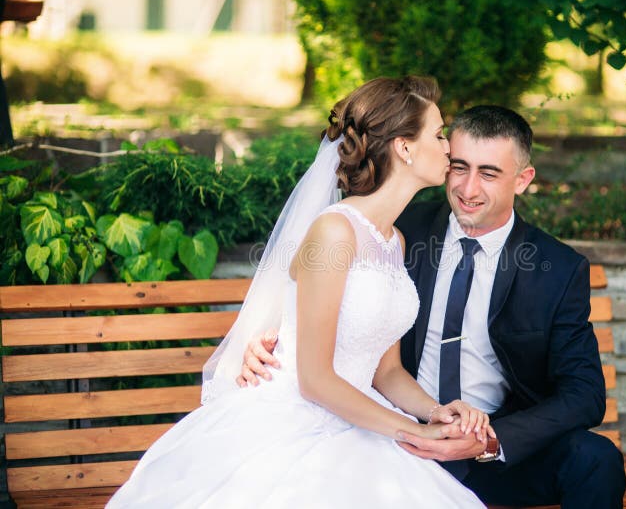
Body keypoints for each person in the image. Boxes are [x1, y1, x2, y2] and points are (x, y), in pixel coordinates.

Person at [107, 77, 489, 508]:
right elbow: (315, 379)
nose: (448, 148)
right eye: (438, 135)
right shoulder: (334, 232)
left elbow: (386, 372)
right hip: (296, 417)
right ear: (403, 147)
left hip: (359, 415)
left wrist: (433, 410)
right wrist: (414, 431)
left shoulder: (393, 241)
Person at [240, 105, 626, 508]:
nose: (468, 188)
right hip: (394, 432)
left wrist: (492, 440)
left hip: (490, 450)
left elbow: (584, 394)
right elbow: (309, 285)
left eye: (489, 173)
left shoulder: (557, 269)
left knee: (595, 459)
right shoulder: (396, 228)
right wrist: (268, 337)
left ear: (523, 179)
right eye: (459, 167)